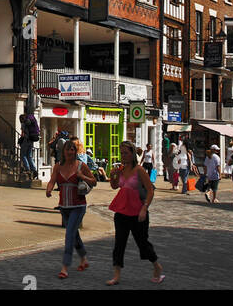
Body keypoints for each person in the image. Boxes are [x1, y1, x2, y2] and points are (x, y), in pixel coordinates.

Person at [106, 140, 164, 285]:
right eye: (121, 153)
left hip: (138, 212)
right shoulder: (121, 170)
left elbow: (150, 190)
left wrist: (145, 208)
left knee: (142, 244)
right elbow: (115, 186)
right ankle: (116, 276)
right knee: (119, 244)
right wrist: (113, 176)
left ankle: (157, 266)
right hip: (121, 211)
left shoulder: (139, 170)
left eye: (126, 153)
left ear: (132, 154)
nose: (123, 156)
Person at [46, 138, 97, 277]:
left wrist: (82, 177)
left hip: (78, 206)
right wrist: (48, 190)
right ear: (63, 151)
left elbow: (94, 181)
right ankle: (84, 259)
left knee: (69, 234)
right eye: (67, 149)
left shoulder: (81, 165)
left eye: (72, 149)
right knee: (74, 235)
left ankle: (64, 267)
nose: (70, 151)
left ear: (75, 151)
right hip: (64, 206)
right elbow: (52, 181)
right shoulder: (58, 166)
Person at [19, 110, 40, 184]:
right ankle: (34, 169)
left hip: (26, 140)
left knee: (23, 155)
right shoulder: (30, 122)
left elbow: (23, 134)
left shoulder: (24, 124)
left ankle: (27, 169)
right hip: (31, 140)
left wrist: (20, 140)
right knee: (29, 156)